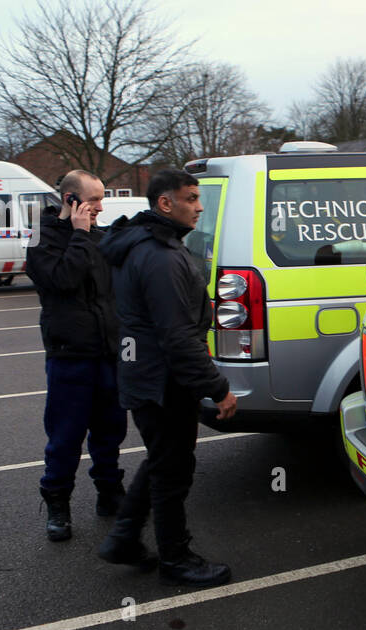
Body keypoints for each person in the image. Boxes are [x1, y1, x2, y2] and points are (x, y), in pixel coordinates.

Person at [96, 169, 238, 586]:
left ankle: (123, 539)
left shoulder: (145, 244)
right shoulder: (160, 255)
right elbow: (177, 336)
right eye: (191, 198)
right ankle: (176, 558)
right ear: (164, 203)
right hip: (163, 381)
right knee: (174, 470)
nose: (199, 206)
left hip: (147, 375)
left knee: (162, 460)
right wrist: (218, 387)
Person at [25, 169, 127, 543]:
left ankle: (109, 492)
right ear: (71, 200)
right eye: (94, 199)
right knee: (66, 435)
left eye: (102, 198)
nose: (101, 206)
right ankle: (57, 503)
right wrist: (81, 234)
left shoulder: (100, 236)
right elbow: (63, 279)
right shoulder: (42, 239)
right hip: (70, 355)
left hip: (108, 353)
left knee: (110, 429)